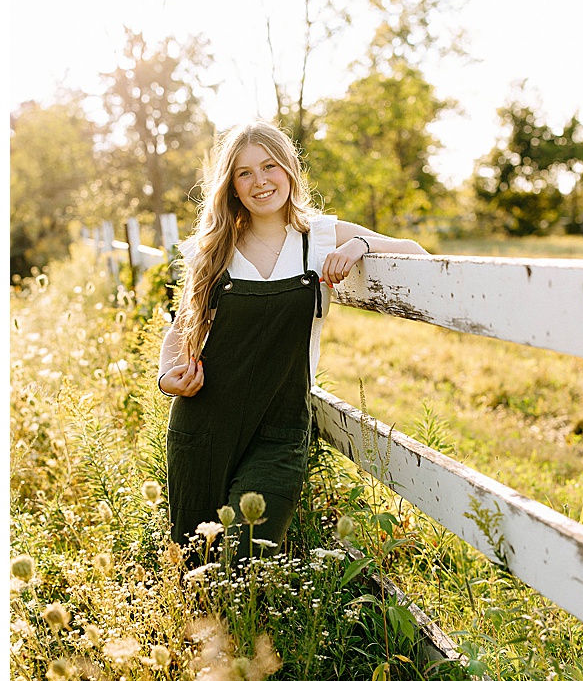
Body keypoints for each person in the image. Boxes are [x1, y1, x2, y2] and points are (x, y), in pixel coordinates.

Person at [157, 119, 428, 559]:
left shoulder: (319, 237)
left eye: (270, 167)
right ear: (232, 186)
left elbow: (415, 253)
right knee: (196, 564)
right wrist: (168, 377)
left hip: (279, 430)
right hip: (204, 425)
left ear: (289, 170)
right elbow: (182, 326)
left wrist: (359, 245)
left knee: (246, 554)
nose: (260, 182)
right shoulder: (214, 248)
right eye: (245, 173)